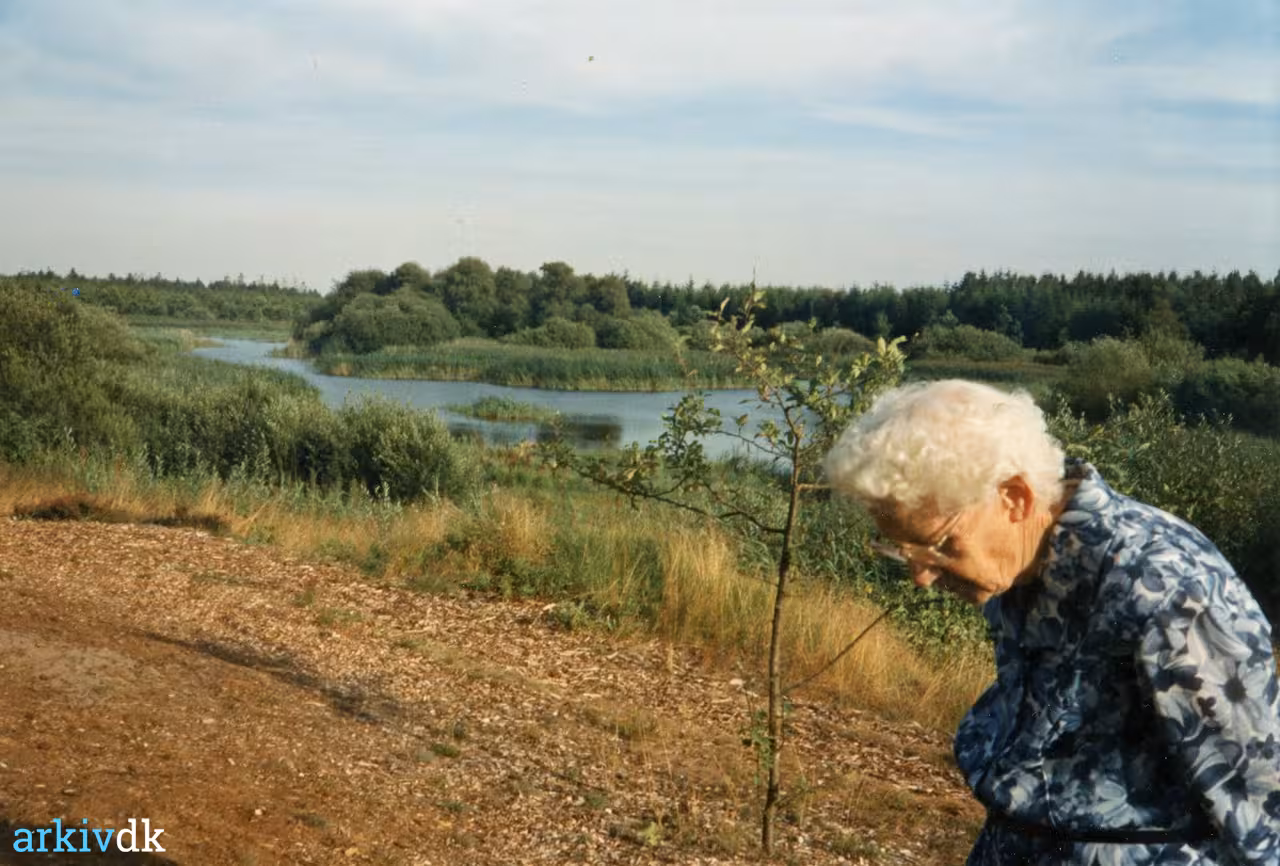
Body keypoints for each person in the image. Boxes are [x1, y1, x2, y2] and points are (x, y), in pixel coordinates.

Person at [822, 379, 1280, 866]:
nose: (921, 576)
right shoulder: (1019, 566)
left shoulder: (1165, 588)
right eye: (902, 549)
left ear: (1015, 497)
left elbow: (1260, 802)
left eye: (939, 545)